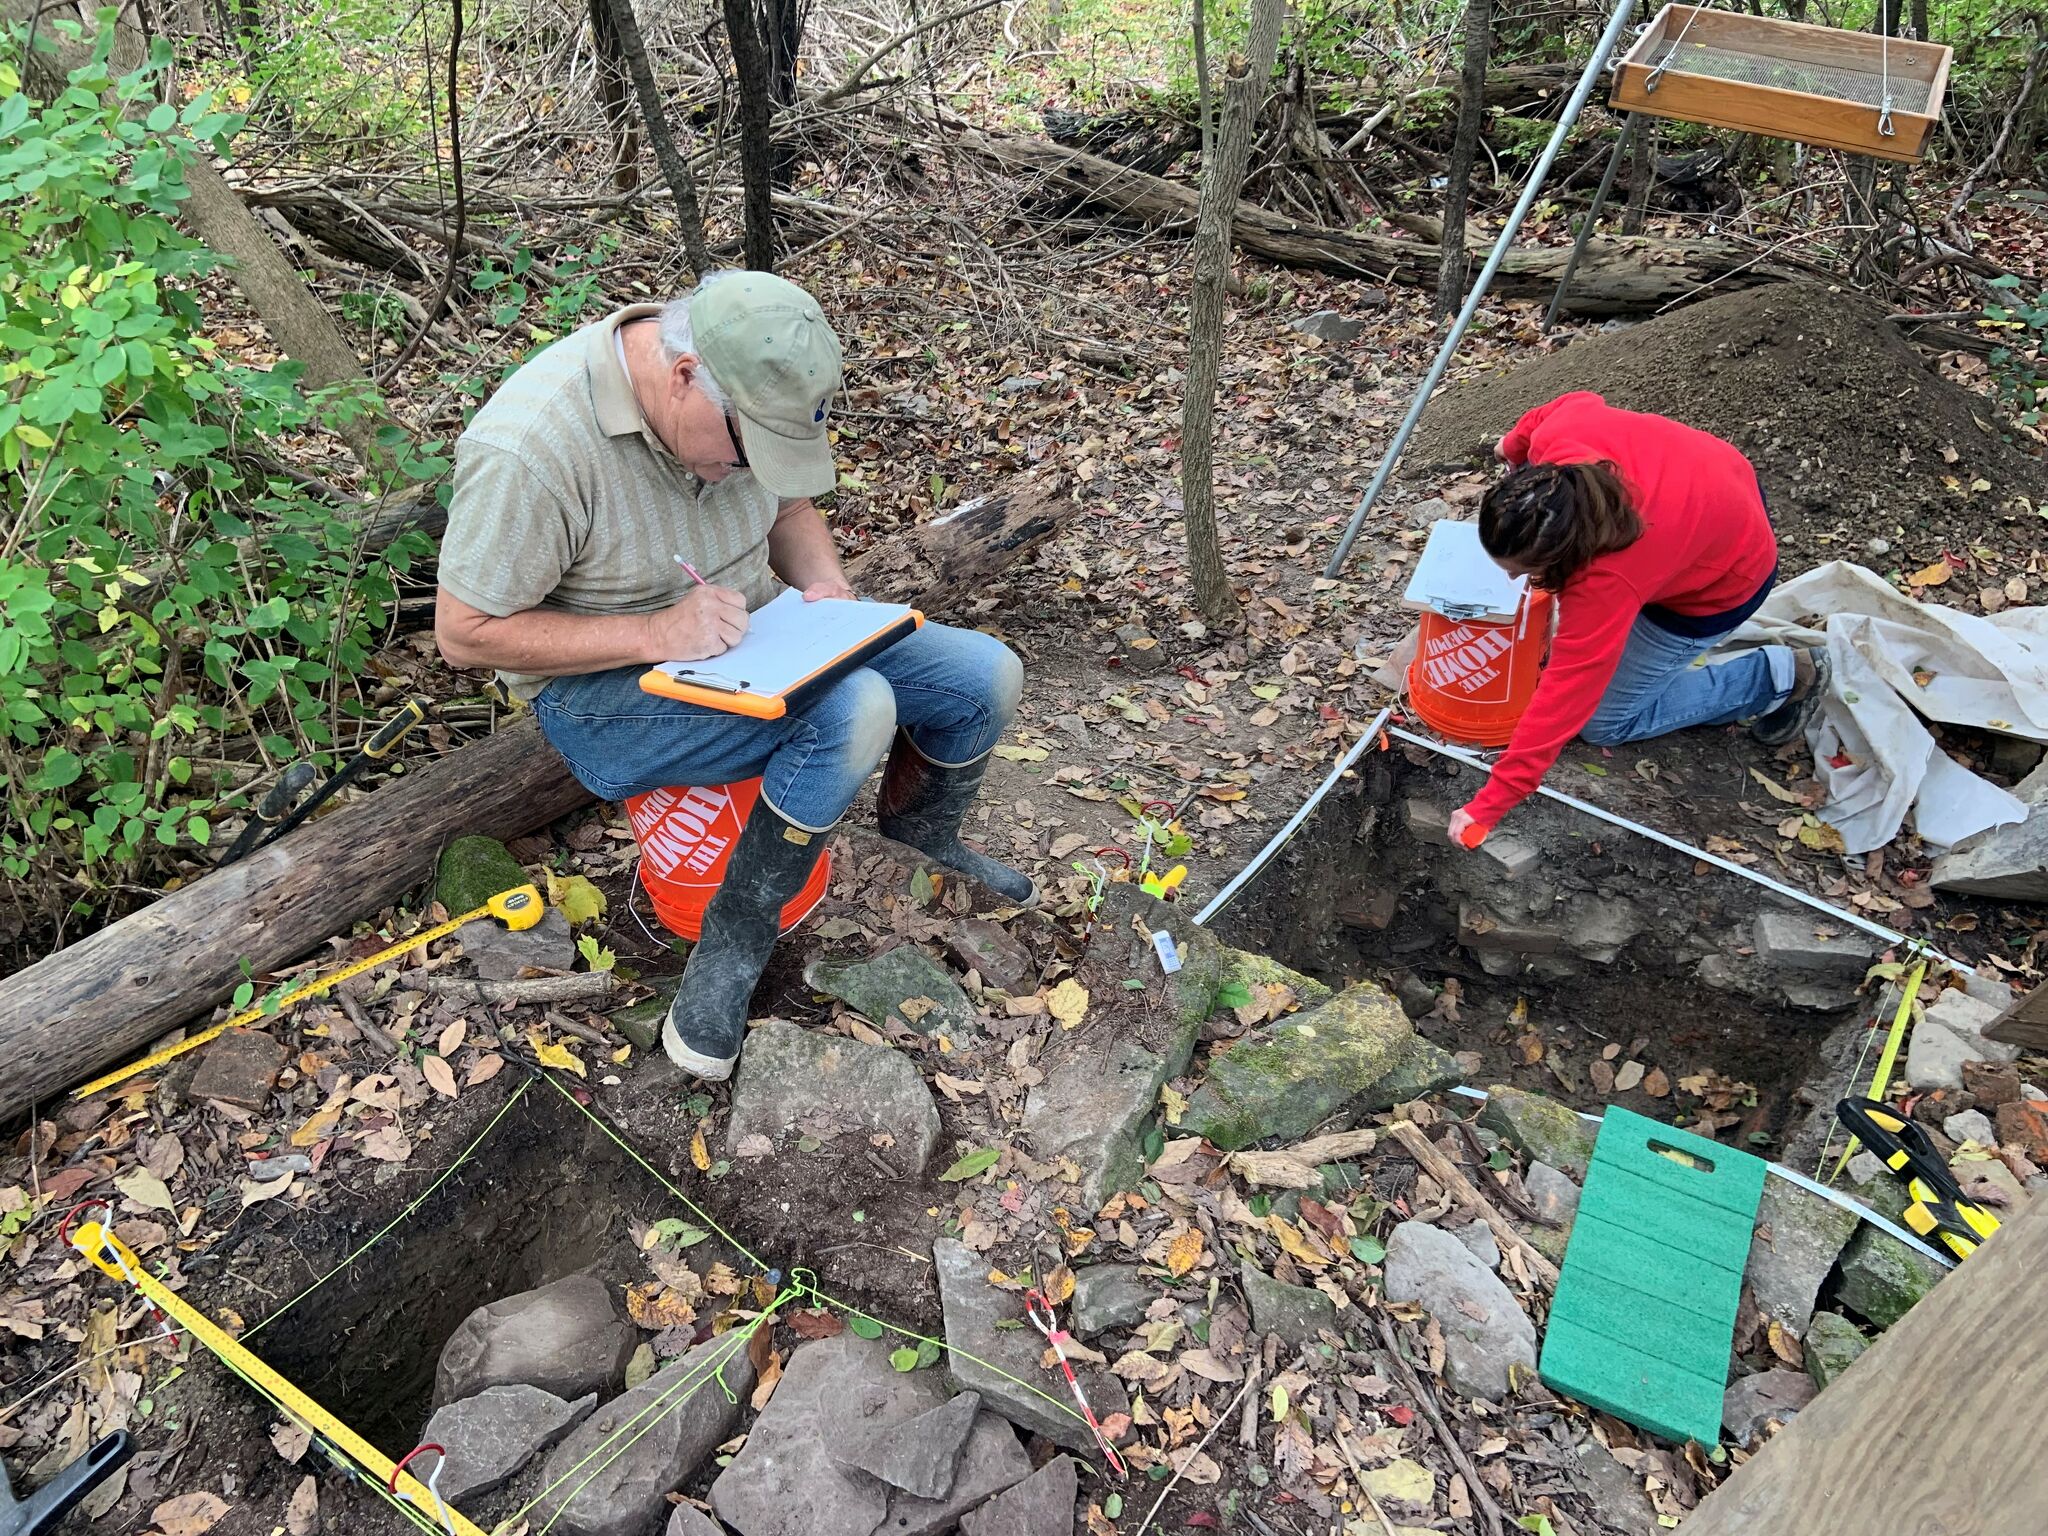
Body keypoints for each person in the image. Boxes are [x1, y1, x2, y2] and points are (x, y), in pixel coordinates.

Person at [433, 271, 1030, 1081]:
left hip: (757, 637)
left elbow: (788, 512)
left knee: (984, 675)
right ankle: (731, 946)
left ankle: (924, 837)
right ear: (683, 379)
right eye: (746, 448)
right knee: (853, 708)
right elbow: (466, 636)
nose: (751, 465)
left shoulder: (745, 391)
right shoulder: (532, 450)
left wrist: (827, 592)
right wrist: (654, 631)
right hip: (606, 695)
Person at [1446, 391, 1826, 848]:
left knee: (1606, 722)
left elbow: (1571, 684)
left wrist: (1489, 803)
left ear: (1572, 555)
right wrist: (1511, 448)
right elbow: (1569, 403)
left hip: (1726, 576)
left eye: (1523, 570)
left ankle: (1775, 676)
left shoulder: (1608, 581)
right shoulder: (1559, 449)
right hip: (1718, 483)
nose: (1511, 578)